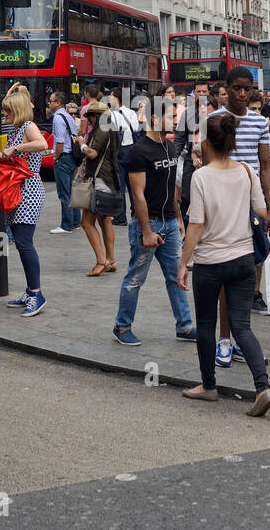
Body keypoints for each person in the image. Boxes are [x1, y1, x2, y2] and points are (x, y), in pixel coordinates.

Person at [177, 113, 270, 417]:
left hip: (210, 262)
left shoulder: (201, 176)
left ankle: (208, 386)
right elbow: (260, 210)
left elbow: (195, 224)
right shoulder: (246, 171)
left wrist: (183, 262)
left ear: (206, 142)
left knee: (206, 325)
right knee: (242, 326)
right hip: (244, 259)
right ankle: (263, 388)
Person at [112, 96, 196, 345]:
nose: (175, 121)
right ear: (154, 118)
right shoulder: (139, 151)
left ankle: (185, 325)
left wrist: (178, 218)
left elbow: (171, 189)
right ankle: (122, 326)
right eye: (171, 117)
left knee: (176, 276)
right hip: (146, 225)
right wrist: (147, 231)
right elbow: (137, 195)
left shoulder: (170, 147)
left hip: (169, 224)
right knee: (136, 277)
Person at [209, 67, 270, 364]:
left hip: (252, 206)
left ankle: (239, 338)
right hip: (223, 205)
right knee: (226, 275)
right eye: (236, 88)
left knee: (247, 273)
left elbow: (266, 166)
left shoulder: (260, 122)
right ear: (226, 88)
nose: (241, 94)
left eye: (246, 89)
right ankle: (224, 339)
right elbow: (208, 164)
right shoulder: (212, 121)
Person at [0, 84, 50, 317]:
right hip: (19, 190)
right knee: (21, 242)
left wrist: (14, 148)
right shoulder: (19, 128)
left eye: (7, 111)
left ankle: (37, 293)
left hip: (29, 191)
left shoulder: (28, 126)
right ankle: (30, 290)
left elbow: (43, 145)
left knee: (24, 242)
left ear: (17, 110)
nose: (4, 115)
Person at [79, 99, 119, 277]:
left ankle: (101, 261)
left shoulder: (102, 129)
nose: (90, 121)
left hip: (99, 178)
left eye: (91, 117)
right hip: (109, 178)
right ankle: (111, 260)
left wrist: (81, 144)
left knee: (87, 222)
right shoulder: (112, 128)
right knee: (105, 220)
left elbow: (92, 153)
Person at [48, 91, 81, 234]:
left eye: (51, 101)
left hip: (63, 157)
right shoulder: (68, 116)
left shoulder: (57, 118)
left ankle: (66, 225)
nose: (49, 103)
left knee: (64, 192)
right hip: (72, 157)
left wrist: (56, 157)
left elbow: (60, 141)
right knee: (72, 190)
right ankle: (75, 222)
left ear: (58, 103)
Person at [107, 91, 140, 227]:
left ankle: (120, 217)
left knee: (119, 185)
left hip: (118, 151)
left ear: (117, 98)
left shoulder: (111, 113)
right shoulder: (131, 112)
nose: (109, 98)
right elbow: (137, 129)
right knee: (133, 185)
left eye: (111, 96)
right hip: (131, 150)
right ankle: (136, 214)